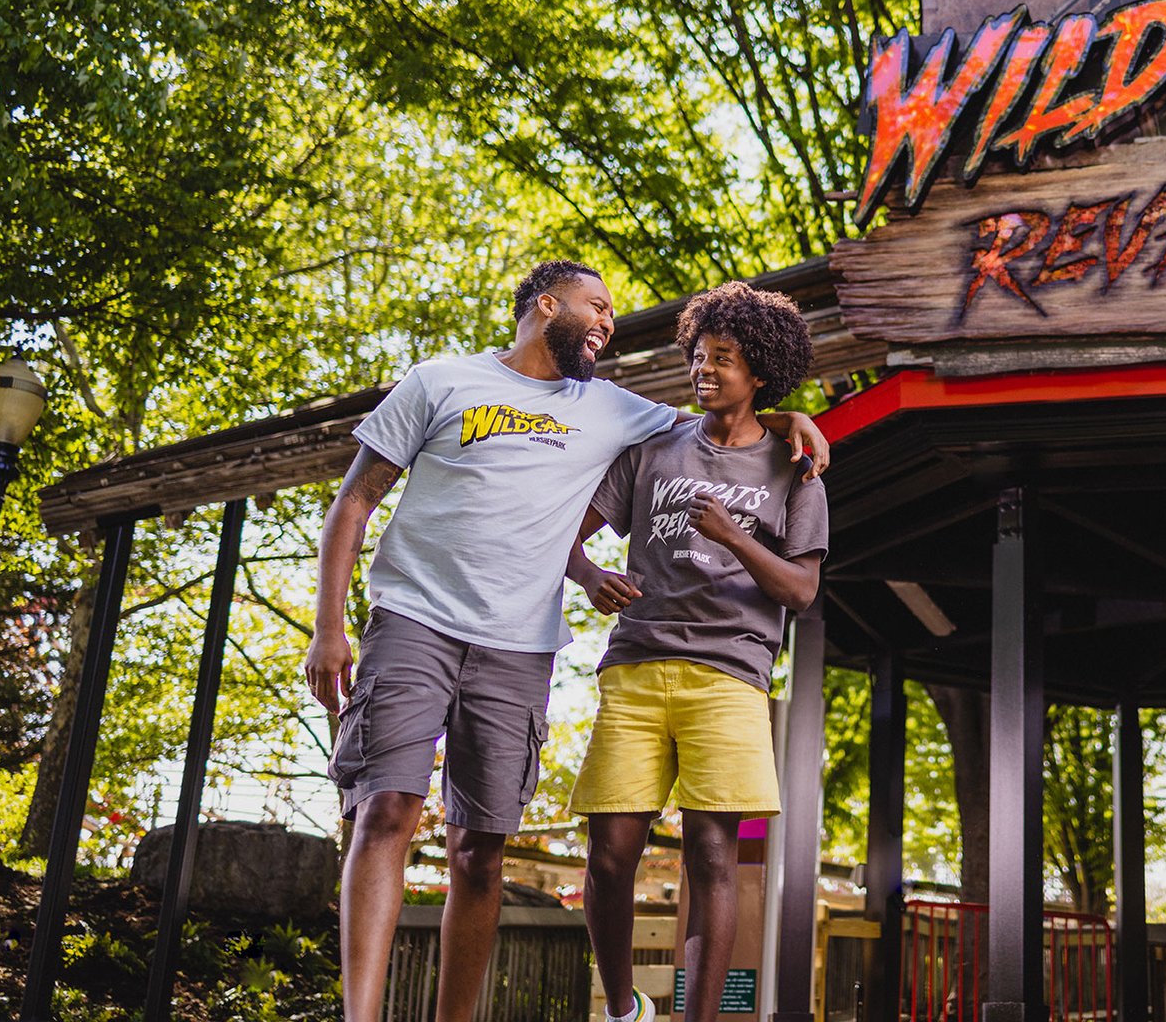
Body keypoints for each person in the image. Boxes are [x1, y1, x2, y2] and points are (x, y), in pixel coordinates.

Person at [304, 261, 829, 1022]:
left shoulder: (621, 412)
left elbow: (726, 426)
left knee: (482, 850)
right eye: (598, 306)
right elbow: (354, 501)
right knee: (386, 809)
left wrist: (790, 420)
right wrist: (329, 626)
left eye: (613, 311)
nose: (610, 321)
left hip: (541, 651)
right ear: (546, 305)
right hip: (428, 622)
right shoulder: (444, 381)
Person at [566, 281, 828, 1022]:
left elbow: (801, 593)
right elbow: (569, 533)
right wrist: (590, 577)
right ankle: (623, 1011)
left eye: (725, 358)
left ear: (761, 374)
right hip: (638, 666)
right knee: (610, 855)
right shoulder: (653, 447)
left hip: (730, 679)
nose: (705, 369)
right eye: (699, 355)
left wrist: (735, 537)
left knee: (712, 859)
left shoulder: (796, 468)